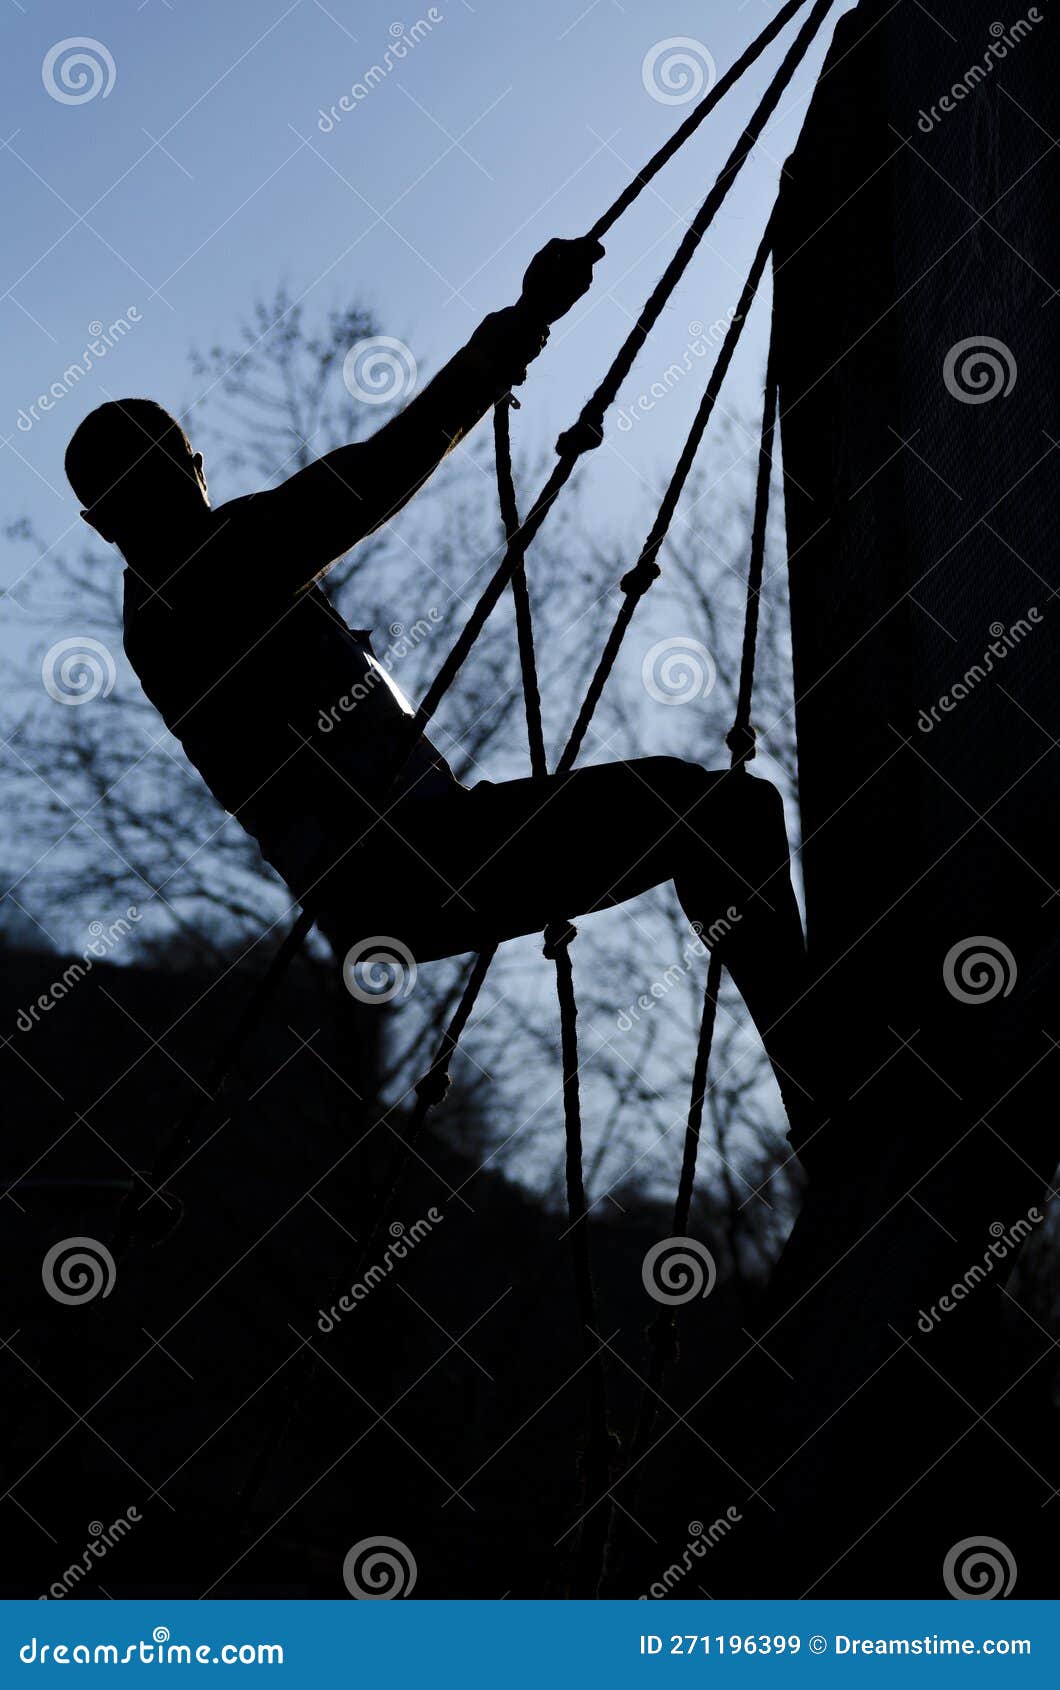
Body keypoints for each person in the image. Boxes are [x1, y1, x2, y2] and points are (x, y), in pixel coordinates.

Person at [63, 235, 811, 1129]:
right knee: (726, 819)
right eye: (174, 471)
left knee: (721, 819)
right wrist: (524, 326)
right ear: (172, 481)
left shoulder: (170, 613)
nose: (191, 489)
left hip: (403, 871)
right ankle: (828, 1095)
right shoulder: (204, 577)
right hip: (412, 863)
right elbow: (372, 477)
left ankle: (827, 1093)